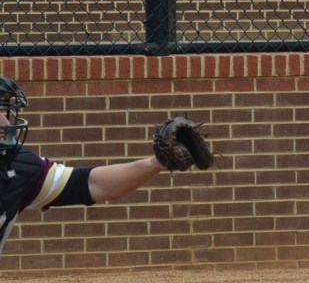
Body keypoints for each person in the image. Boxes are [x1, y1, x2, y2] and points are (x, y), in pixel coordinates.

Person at [0, 76, 206, 254]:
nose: (6, 123)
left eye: (2, 112)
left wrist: (158, 162)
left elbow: (90, 184)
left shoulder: (16, 167)